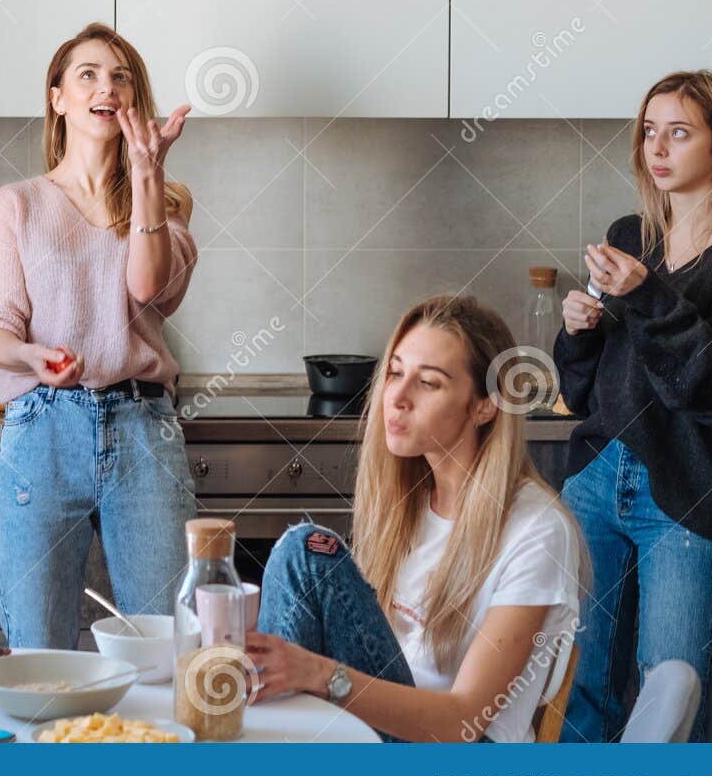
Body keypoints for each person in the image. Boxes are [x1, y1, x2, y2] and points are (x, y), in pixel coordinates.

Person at [248, 295, 585, 743]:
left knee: (305, 551)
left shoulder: (538, 530)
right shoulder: (408, 504)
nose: (398, 397)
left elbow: (462, 724)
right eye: (394, 373)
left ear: (485, 406)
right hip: (377, 735)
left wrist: (319, 674)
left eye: (428, 382)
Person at [555, 70, 712, 742]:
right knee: (573, 683)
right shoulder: (631, 233)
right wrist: (577, 331)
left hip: (689, 491)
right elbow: (579, 388)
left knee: (670, 691)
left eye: (679, 132)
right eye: (650, 131)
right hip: (596, 477)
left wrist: (646, 295)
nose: (657, 147)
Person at [0, 22, 198, 649]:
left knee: (166, 649)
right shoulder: (16, 204)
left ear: (135, 100)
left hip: (143, 429)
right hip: (41, 432)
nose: (107, 87)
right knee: (38, 652)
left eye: (121, 77)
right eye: (89, 75)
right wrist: (29, 356)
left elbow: (149, 289)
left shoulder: (168, 201)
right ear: (58, 98)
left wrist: (148, 176)